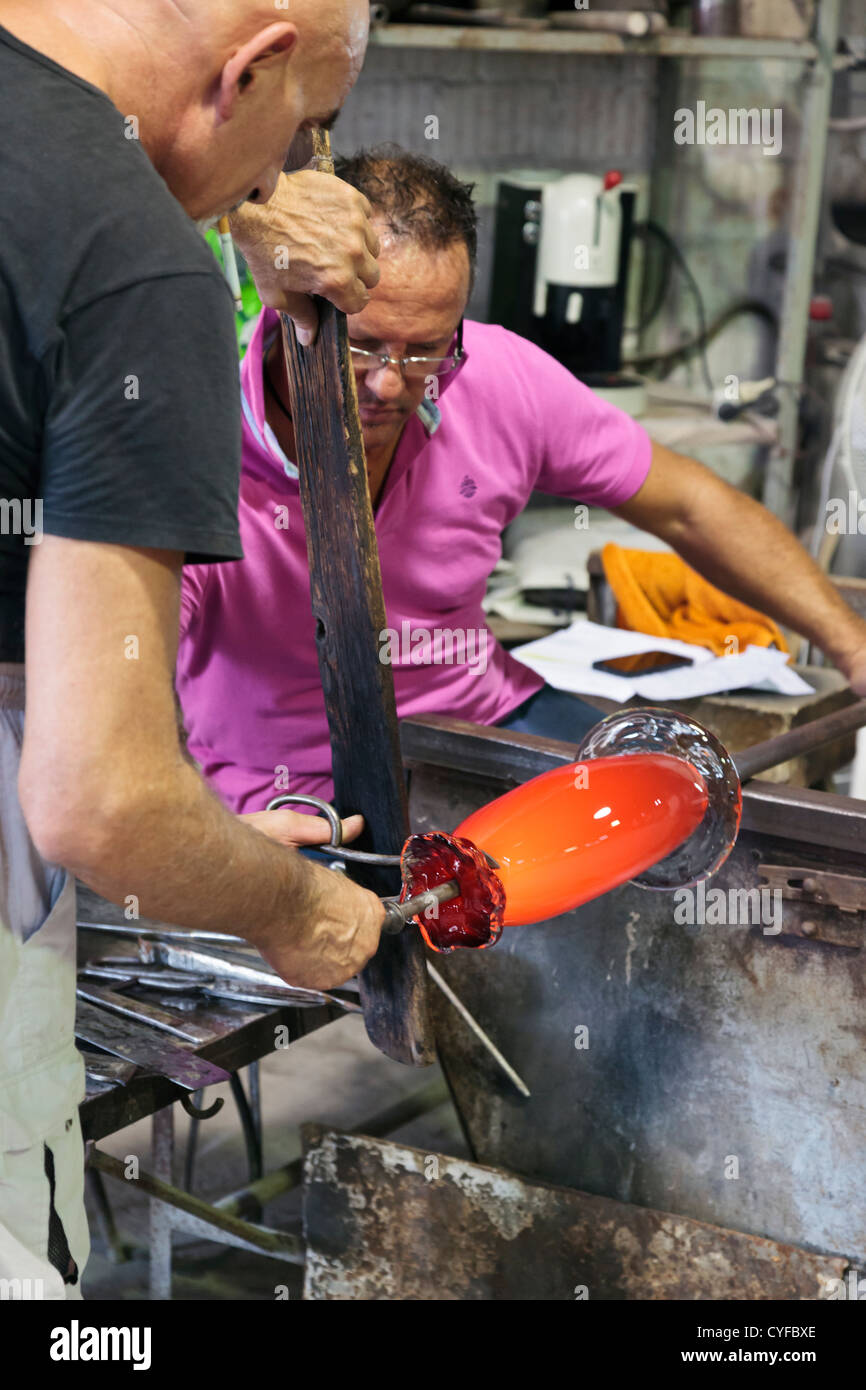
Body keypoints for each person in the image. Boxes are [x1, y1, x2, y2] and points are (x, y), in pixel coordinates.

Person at [0, 0, 385, 1301]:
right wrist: (299, 908)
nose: (286, 183)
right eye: (305, 130)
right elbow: (96, 797)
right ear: (254, 66)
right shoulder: (133, 260)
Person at [176, 146, 866, 815]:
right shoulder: (195, 449)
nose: (391, 383)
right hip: (290, 785)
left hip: (481, 729)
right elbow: (103, 696)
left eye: (425, 351)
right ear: (293, 304)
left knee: (683, 825)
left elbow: (689, 507)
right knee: (376, 923)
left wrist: (853, 647)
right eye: (361, 345)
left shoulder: (498, 379)